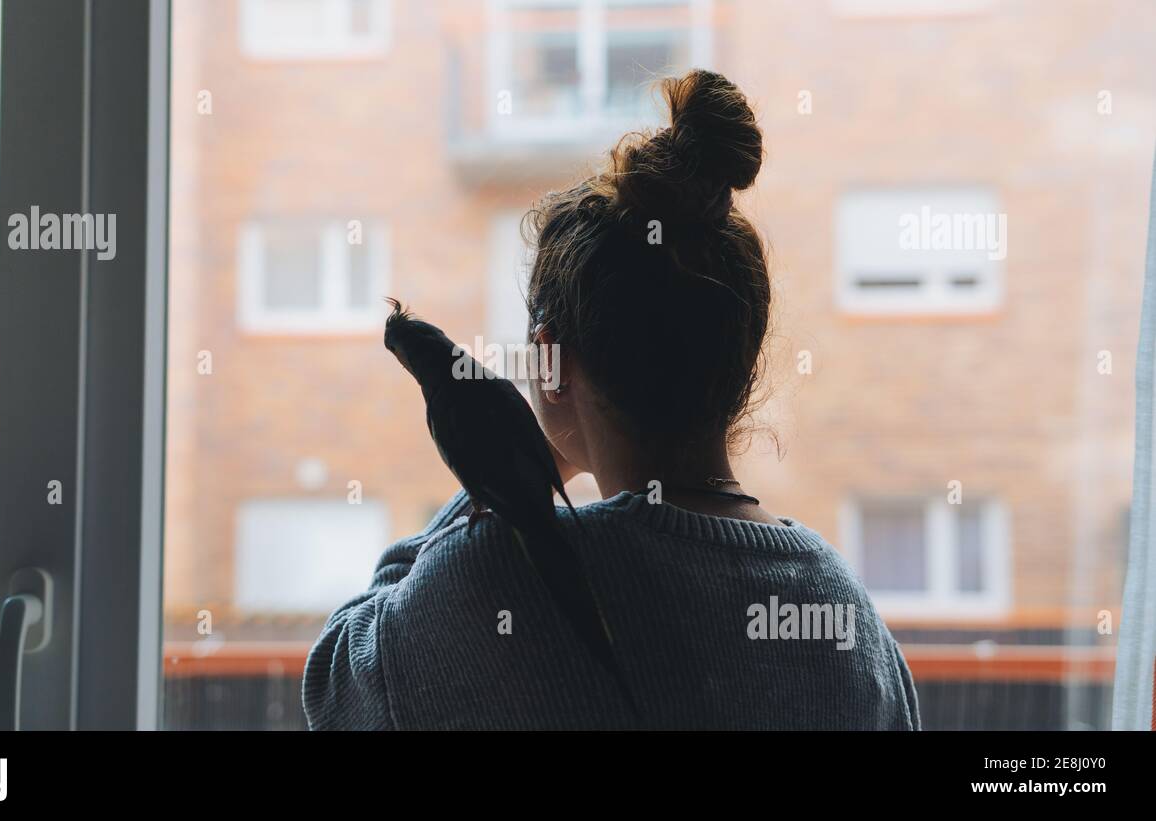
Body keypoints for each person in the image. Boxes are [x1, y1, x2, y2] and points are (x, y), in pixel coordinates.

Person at [302, 69, 920, 730]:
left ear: (551, 360)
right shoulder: (843, 617)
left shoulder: (488, 581)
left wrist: (505, 462)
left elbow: (337, 687)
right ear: (742, 358)